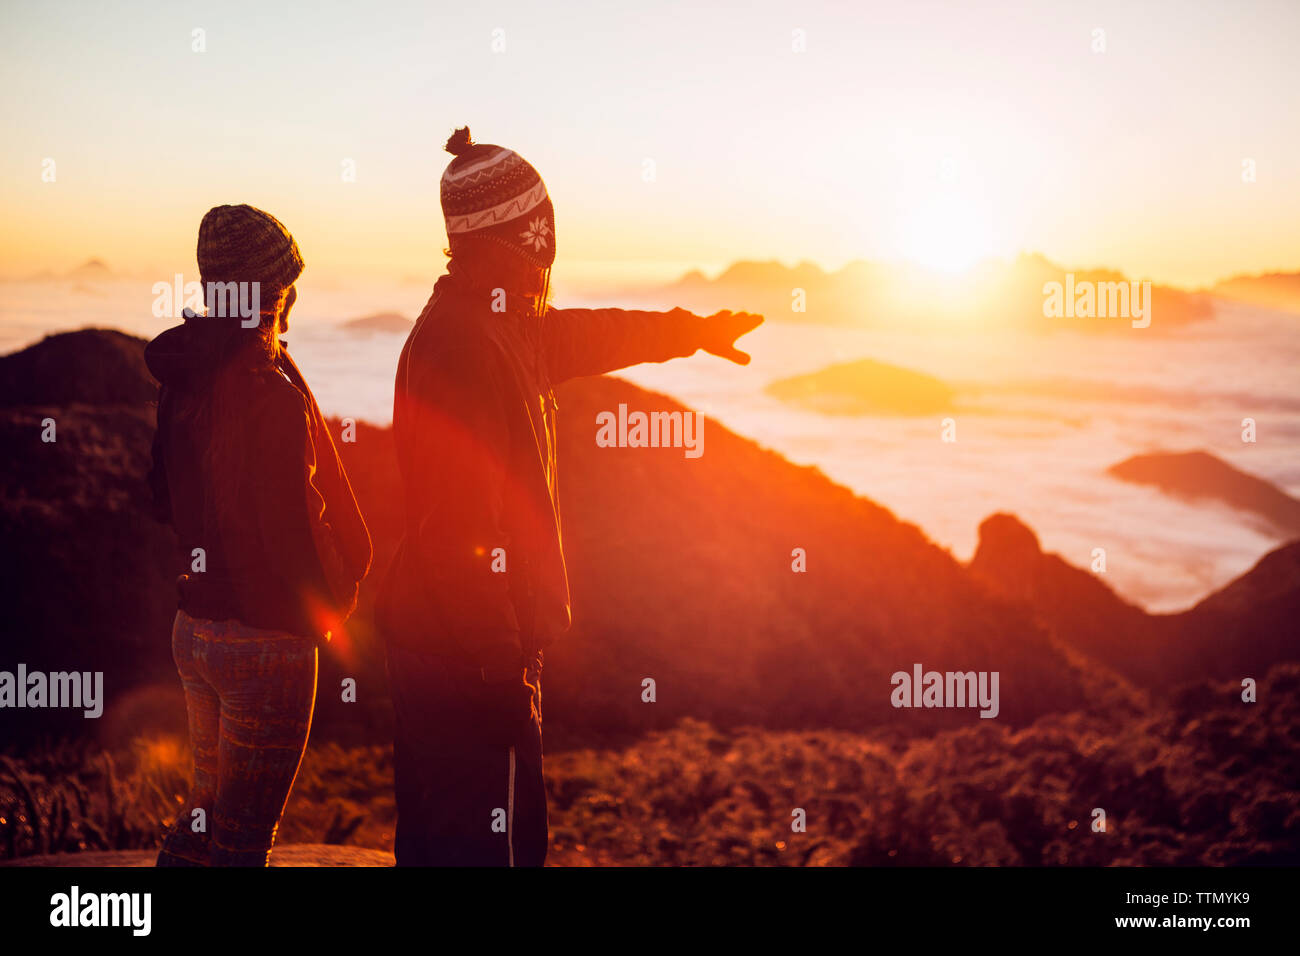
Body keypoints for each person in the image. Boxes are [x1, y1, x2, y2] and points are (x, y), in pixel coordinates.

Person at [377, 127, 762, 866]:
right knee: (496, 851)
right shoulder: (466, 344)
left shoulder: (501, 324)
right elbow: (462, 532)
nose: (548, 248)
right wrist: (500, 667)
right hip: (466, 656)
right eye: (538, 230)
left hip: (443, 641)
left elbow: (592, 336)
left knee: (438, 845)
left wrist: (694, 331)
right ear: (515, 237)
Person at [146, 204, 373, 866]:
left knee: (202, 820)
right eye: (289, 285)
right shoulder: (270, 391)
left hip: (194, 631)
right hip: (264, 647)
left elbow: (160, 492)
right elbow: (289, 534)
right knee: (243, 843)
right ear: (274, 293)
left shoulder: (182, 377)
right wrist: (331, 610)